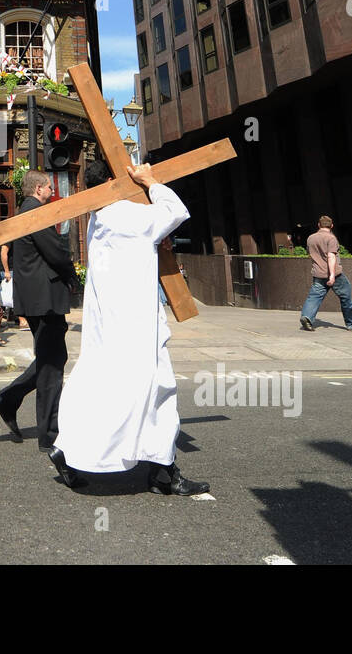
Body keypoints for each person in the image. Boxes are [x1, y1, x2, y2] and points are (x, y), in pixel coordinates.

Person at [48, 161, 209, 496]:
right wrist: (148, 181)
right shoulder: (125, 215)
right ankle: (164, 473)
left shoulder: (99, 219)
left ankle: (72, 449)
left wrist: (157, 235)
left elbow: (156, 227)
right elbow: (176, 210)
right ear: (114, 181)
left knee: (102, 388)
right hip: (135, 324)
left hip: (110, 322)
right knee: (156, 390)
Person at [0, 170, 79, 450]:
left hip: (37, 297)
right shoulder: (35, 212)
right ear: (39, 188)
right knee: (52, 365)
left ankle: (9, 399)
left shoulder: (24, 211)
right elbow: (55, 251)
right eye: (49, 188)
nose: (51, 192)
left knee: (51, 357)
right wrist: (72, 276)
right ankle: (49, 435)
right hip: (45, 297)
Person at [299, 215, 352, 333]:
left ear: (319, 225)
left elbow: (311, 255)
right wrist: (331, 275)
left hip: (318, 273)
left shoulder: (311, 238)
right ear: (331, 226)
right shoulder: (331, 238)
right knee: (346, 297)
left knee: (314, 296)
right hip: (335, 274)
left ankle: (307, 316)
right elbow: (331, 256)